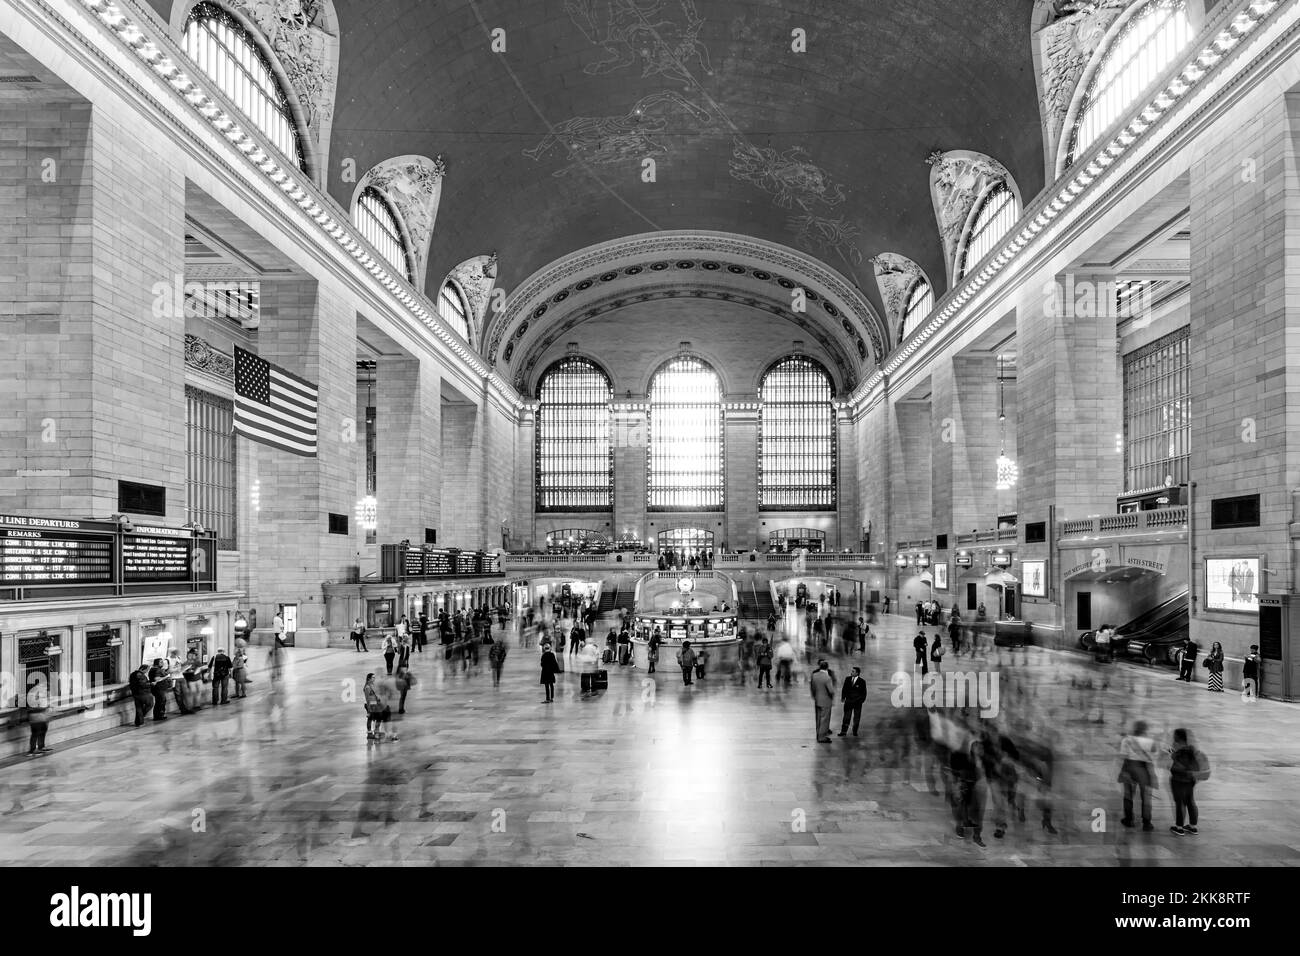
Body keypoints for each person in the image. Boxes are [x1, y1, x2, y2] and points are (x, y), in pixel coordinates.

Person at [1118, 721, 1157, 831]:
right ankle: (1147, 823)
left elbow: (1123, 756)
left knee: (1128, 796)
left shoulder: (1127, 740)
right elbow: (1154, 753)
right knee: (1146, 797)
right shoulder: (1151, 741)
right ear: (1145, 730)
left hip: (1129, 767)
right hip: (1144, 769)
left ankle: (1129, 819)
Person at [1167, 728, 1207, 835]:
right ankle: (1193, 827)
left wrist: (1171, 753)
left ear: (1177, 737)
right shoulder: (1192, 749)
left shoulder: (1178, 750)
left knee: (1179, 803)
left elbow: (1172, 762)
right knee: (1190, 801)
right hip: (1190, 780)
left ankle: (1179, 827)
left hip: (1178, 780)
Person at [810, 659, 836, 743]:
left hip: (817, 700)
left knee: (818, 718)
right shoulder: (827, 678)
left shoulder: (815, 675)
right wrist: (832, 698)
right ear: (827, 667)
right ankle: (822, 737)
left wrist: (814, 696)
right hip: (826, 701)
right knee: (824, 719)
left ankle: (818, 734)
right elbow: (831, 691)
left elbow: (812, 688)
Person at [25, 678, 51, 756]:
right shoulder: (32, 693)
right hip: (35, 716)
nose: (45, 687)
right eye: (43, 685)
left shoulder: (41, 692)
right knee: (35, 733)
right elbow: (32, 705)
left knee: (43, 731)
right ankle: (32, 750)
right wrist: (43, 708)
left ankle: (41, 747)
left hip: (42, 716)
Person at [838, 665, 866, 737]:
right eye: (851, 671)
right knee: (846, 717)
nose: (851, 672)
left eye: (853, 671)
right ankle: (843, 732)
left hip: (857, 703)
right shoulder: (847, 679)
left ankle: (855, 731)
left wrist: (861, 700)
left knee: (856, 718)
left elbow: (864, 692)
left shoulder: (862, 681)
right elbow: (844, 689)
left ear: (857, 673)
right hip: (848, 702)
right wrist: (843, 697)